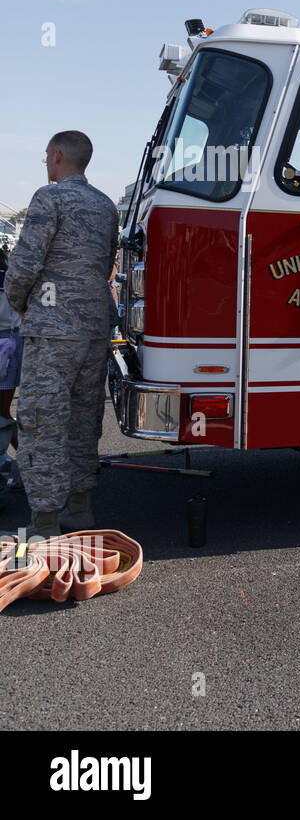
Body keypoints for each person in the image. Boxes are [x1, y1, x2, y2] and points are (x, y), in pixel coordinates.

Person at [5, 130, 119, 538]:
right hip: (93, 328)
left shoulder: (48, 198)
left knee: (42, 423)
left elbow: (24, 263)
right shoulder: (106, 205)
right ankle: (80, 508)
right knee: (84, 419)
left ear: (56, 156)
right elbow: (107, 262)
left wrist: (18, 300)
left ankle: (45, 521)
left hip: (53, 330)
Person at [0, 246, 23, 493]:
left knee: (3, 414)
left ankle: (21, 465)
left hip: (4, 347)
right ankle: (24, 464)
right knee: (4, 412)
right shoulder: (10, 277)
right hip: (10, 345)